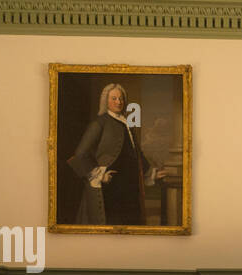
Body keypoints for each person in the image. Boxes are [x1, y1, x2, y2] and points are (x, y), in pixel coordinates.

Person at [66, 83, 171, 226]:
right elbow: (80, 155)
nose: (119, 102)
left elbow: (136, 154)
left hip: (129, 189)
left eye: (121, 98)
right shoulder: (99, 123)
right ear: (105, 101)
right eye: (114, 98)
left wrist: (151, 172)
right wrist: (99, 175)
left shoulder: (127, 123)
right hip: (110, 190)